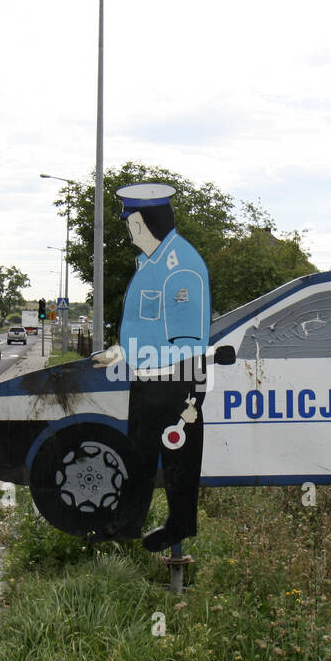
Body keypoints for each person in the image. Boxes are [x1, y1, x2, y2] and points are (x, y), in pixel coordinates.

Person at [93, 183, 210, 551]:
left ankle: (179, 526)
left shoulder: (181, 268)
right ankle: (127, 524)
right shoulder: (151, 264)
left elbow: (190, 341)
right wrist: (121, 352)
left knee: (179, 461)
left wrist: (194, 399)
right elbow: (148, 326)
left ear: (143, 225)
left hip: (175, 382)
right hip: (146, 380)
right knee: (138, 458)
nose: (129, 235)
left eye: (131, 226)